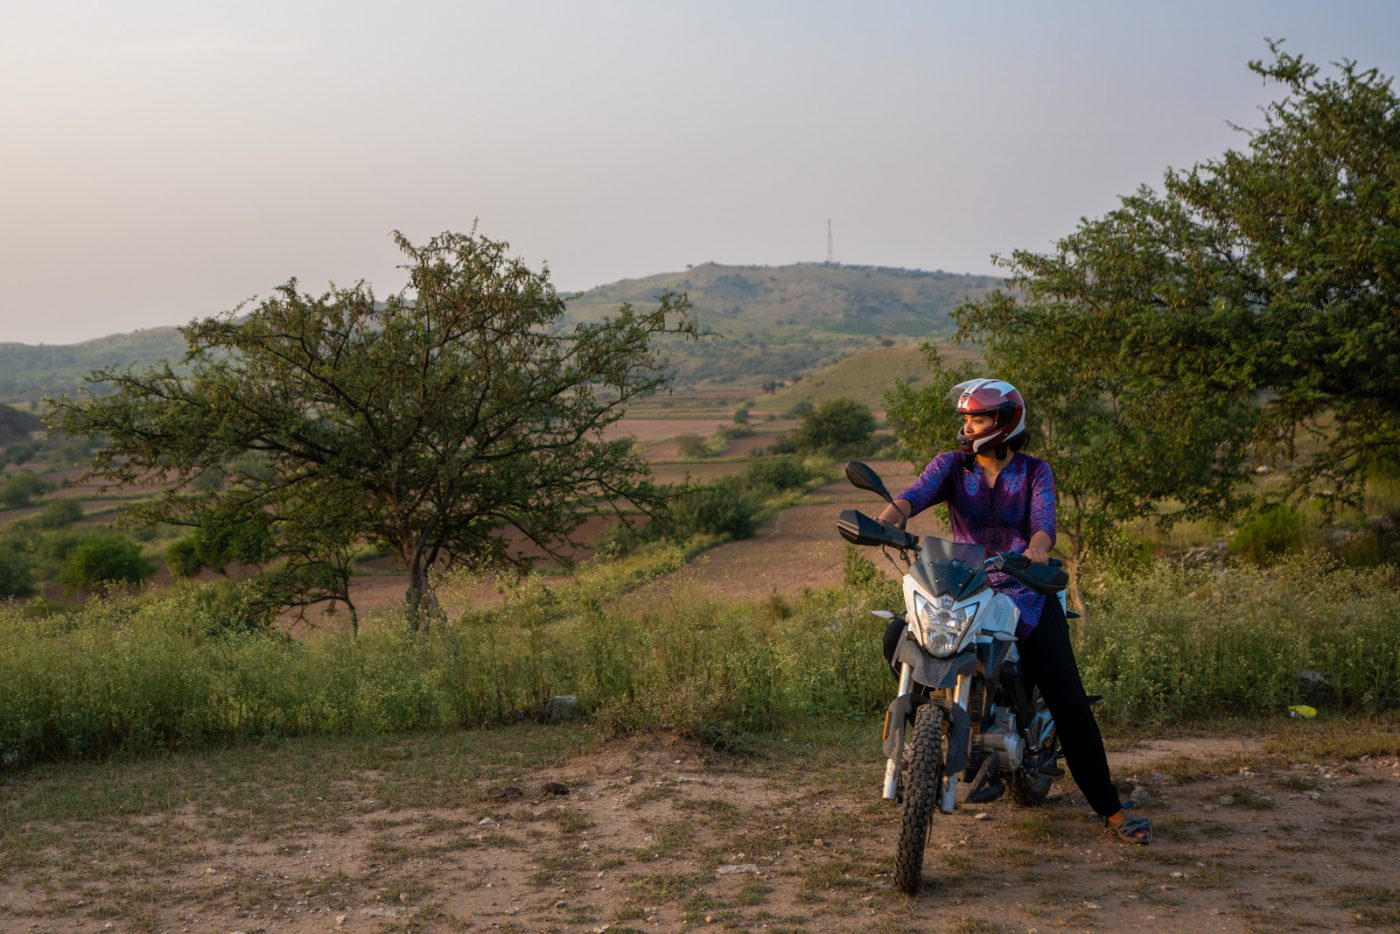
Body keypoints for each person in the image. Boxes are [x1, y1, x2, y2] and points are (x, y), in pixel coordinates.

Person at [876, 377, 1151, 845]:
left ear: (1003, 422)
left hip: (1024, 586)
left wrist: (1039, 549)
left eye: (977, 418)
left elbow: (1043, 523)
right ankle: (936, 736)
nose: (967, 426)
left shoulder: (1035, 472)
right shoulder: (952, 467)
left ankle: (1109, 806)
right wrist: (887, 521)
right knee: (897, 637)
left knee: (1067, 697)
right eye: (965, 417)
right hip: (964, 582)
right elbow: (915, 494)